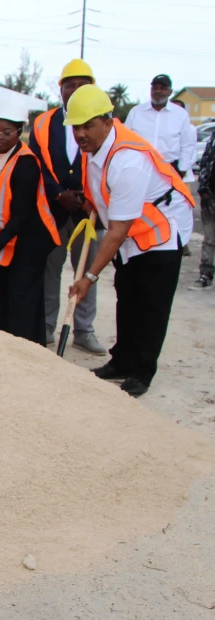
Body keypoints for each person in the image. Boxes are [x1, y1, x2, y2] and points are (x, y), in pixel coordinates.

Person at [67, 86, 194, 397]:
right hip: (130, 233)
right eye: (76, 127)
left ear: (108, 122)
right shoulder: (94, 150)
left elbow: (119, 229)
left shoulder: (128, 160)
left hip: (161, 232)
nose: (81, 134)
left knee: (150, 303)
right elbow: (103, 197)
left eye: (88, 126)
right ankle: (121, 361)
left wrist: (88, 278)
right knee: (127, 295)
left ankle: (141, 370)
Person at [28, 58, 106, 354]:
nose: (75, 90)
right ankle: (47, 326)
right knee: (51, 269)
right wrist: (59, 193)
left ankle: (84, 330)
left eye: (82, 85)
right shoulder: (43, 123)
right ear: (60, 89)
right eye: (69, 85)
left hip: (90, 212)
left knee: (87, 271)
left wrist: (87, 198)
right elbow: (36, 165)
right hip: (54, 210)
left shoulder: (104, 122)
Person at [0, 99, 60, 344]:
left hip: (29, 241)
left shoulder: (26, 163)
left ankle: (26, 352)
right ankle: (1, 349)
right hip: (5, 237)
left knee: (22, 302)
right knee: (0, 299)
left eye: (6, 132)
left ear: (19, 132)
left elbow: (22, 216)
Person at [125, 75, 195, 177]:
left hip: (170, 169)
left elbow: (187, 145)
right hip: (139, 168)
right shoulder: (136, 112)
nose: (158, 91)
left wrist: (182, 170)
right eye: (155, 88)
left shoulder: (181, 114)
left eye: (163, 88)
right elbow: (125, 141)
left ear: (170, 92)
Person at [192, 131, 215, 290]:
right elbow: (206, 162)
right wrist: (203, 188)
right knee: (210, 238)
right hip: (211, 195)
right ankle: (206, 273)